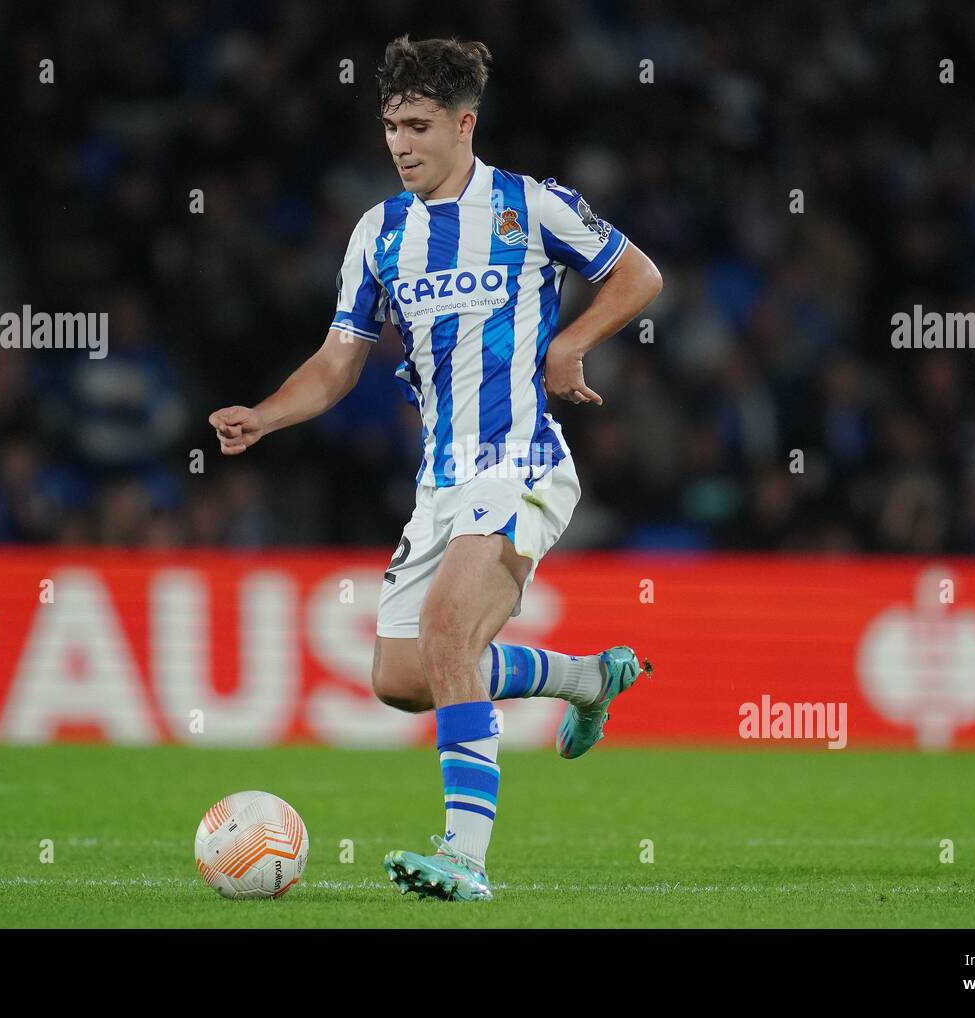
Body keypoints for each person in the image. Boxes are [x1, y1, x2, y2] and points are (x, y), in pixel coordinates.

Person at [209, 34, 662, 902]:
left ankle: (464, 855)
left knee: (453, 630)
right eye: (389, 126)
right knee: (402, 679)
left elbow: (639, 275)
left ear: (463, 124)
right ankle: (586, 678)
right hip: (441, 482)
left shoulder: (530, 207)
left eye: (417, 126)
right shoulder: (379, 234)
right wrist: (266, 414)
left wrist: (571, 343)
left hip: (522, 460)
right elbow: (340, 359)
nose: (400, 144)